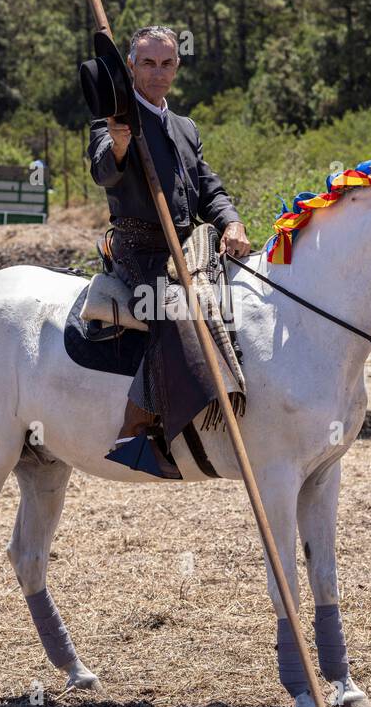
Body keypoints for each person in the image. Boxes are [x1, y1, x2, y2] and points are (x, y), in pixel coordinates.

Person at [88, 25, 250, 478]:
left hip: (187, 243)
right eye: (147, 63)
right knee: (172, 305)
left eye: (167, 63)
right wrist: (120, 145)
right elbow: (104, 170)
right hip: (138, 247)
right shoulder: (112, 120)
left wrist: (230, 221)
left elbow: (208, 189)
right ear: (132, 66)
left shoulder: (184, 127)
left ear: (177, 67)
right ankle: (137, 430)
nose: (158, 73)